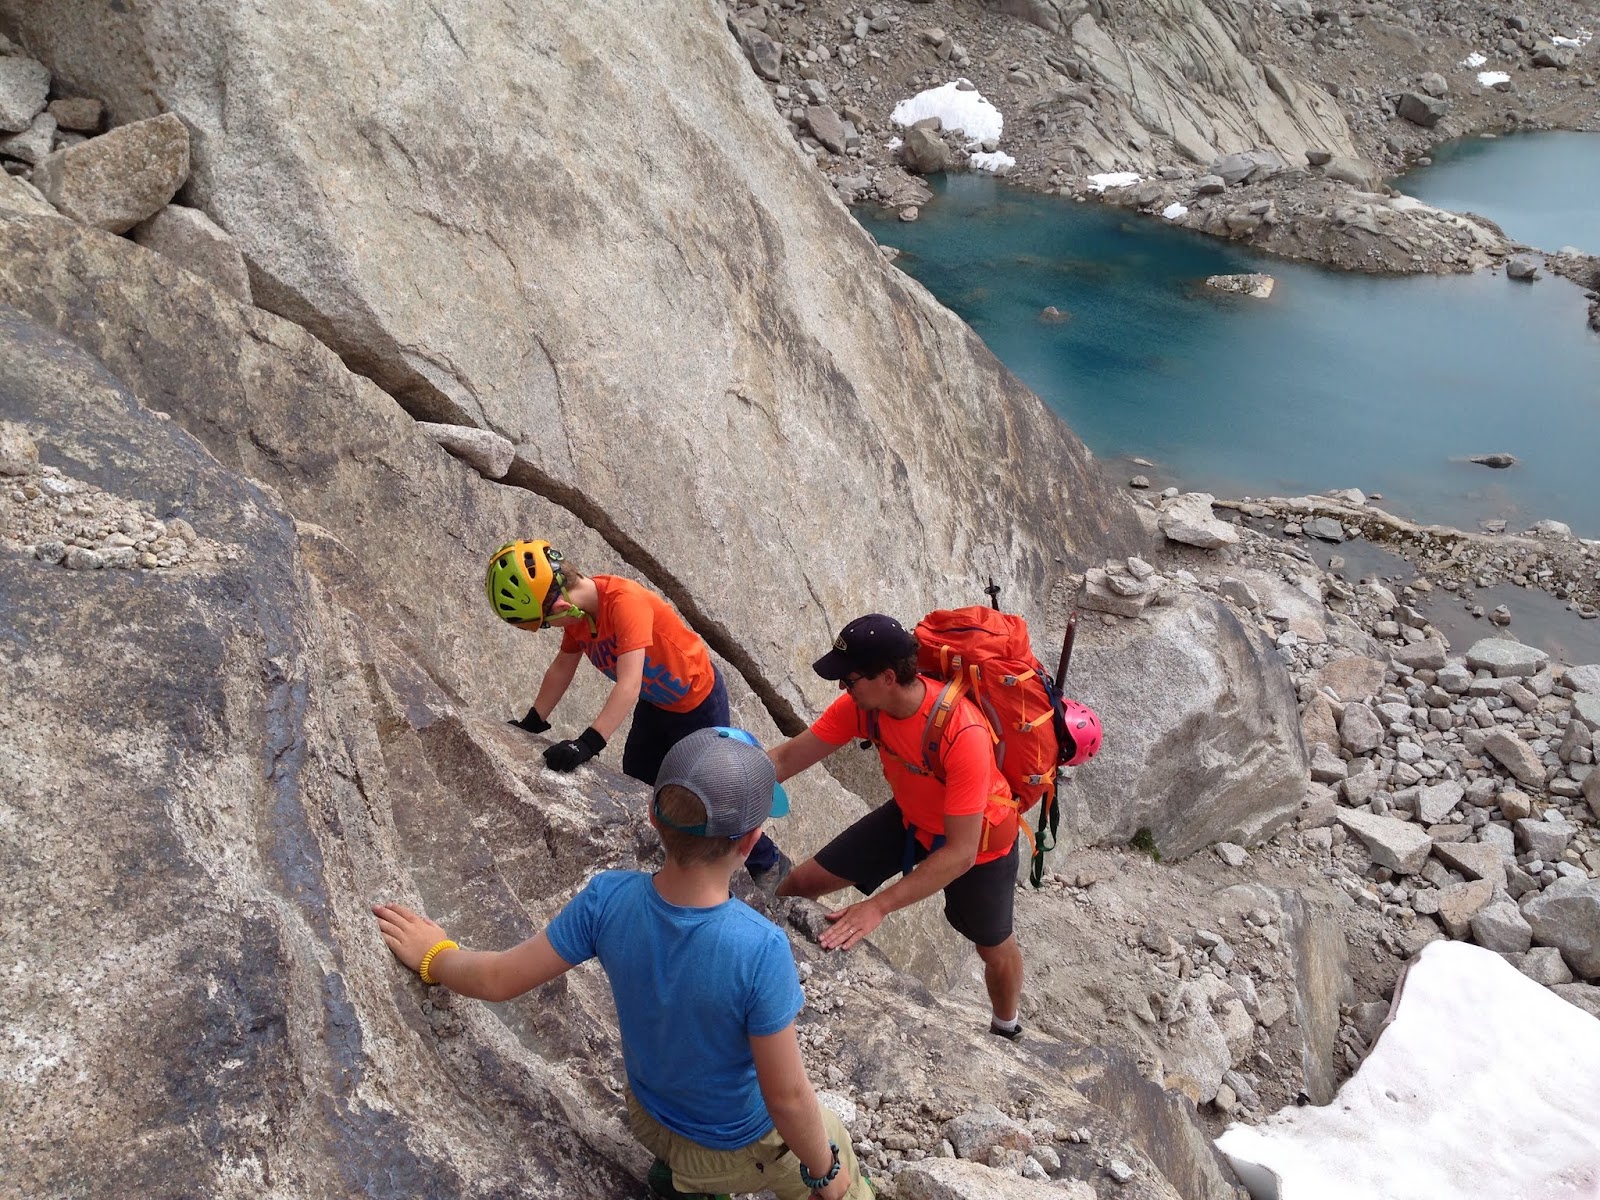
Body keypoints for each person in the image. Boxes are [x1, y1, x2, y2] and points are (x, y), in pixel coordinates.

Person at [373, 727, 872, 1200]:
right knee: (829, 1136)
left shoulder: (606, 899)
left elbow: (499, 978)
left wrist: (435, 955)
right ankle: (704, 1180)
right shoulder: (761, 948)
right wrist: (824, 1171)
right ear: (749, 842)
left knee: (717, 1146)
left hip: (649, 1116)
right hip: (730, 1145)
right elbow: (785, 1098)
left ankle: (682, 1179)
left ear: (654, 816)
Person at [768, 615, 1026, 1040]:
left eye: (849, 679)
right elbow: (786, 760)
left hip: (980, 844)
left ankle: (1006, 1027)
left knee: (992, 945)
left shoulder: (963, 733)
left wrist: (877, 907)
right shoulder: (863, 708)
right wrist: (726, 784)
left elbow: (959, 854)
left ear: (888, 677)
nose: (841, 688)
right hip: (911, 816)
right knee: (798, 883)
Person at [485, 539, 785, 881]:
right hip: (657, 703)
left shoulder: (625, 602)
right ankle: (667, 856)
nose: (550, 628)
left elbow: (628, 683)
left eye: (544, 622)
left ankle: (766, 861)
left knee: (712, 792)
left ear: (556, 604)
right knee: (640, 778)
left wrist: (588, 744)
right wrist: (534, 720)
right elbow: (562, 667)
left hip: (698, 701)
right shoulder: (579, 620)